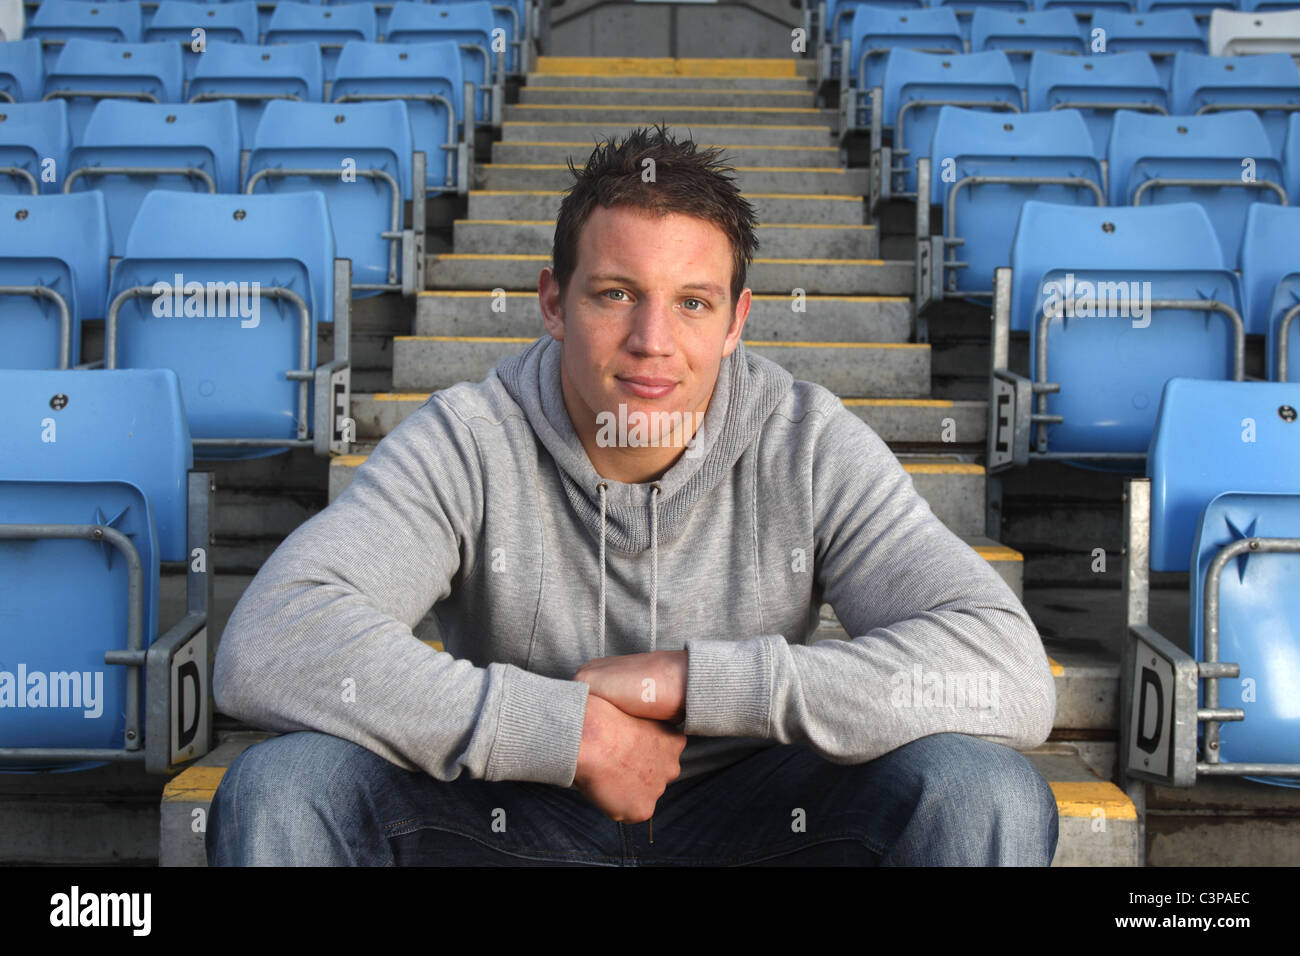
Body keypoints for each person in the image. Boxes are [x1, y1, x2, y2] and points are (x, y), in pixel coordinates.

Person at [207, 123, 1059, 866]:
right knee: (287, 784)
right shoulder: (469, 437)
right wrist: (565, 732)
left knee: (981, 788)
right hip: (512, 813)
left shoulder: (806, 441)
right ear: (552, 301)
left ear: (736, 323)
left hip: (765, 823)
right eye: (616, 294)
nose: (653, 342)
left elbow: (1006, 669)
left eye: (692, 303)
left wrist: (705, 683)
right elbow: (275, 639)